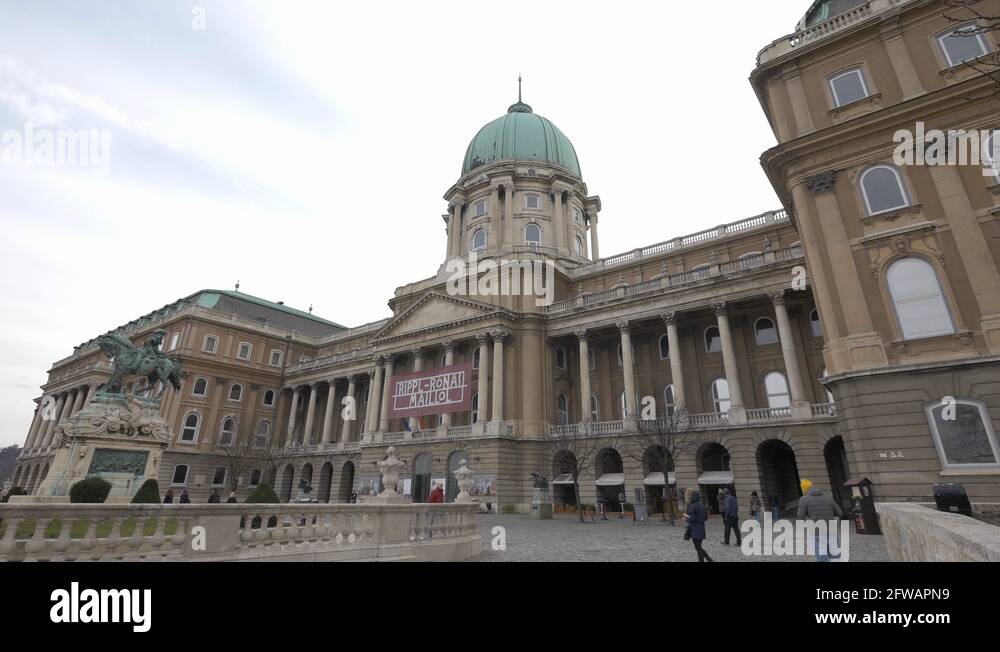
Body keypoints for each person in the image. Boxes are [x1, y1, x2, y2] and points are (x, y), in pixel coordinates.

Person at [797, 480, 844, 562]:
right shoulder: (829, 498)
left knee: (821, 554)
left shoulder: (803, 499)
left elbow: (801, 517)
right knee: (835, 554)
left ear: (804, 490)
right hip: (831, 530)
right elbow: (840, 513)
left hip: (816, 531)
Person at [684, 491, 713, 562]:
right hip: (701, 528)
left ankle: (709, 560)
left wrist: (686, 518)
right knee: (698, 547)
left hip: (695, 529)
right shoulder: (702, 506)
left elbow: (692, 518)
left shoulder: (693, 506)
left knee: (698, 548)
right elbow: (706, 518)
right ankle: (708, 560)